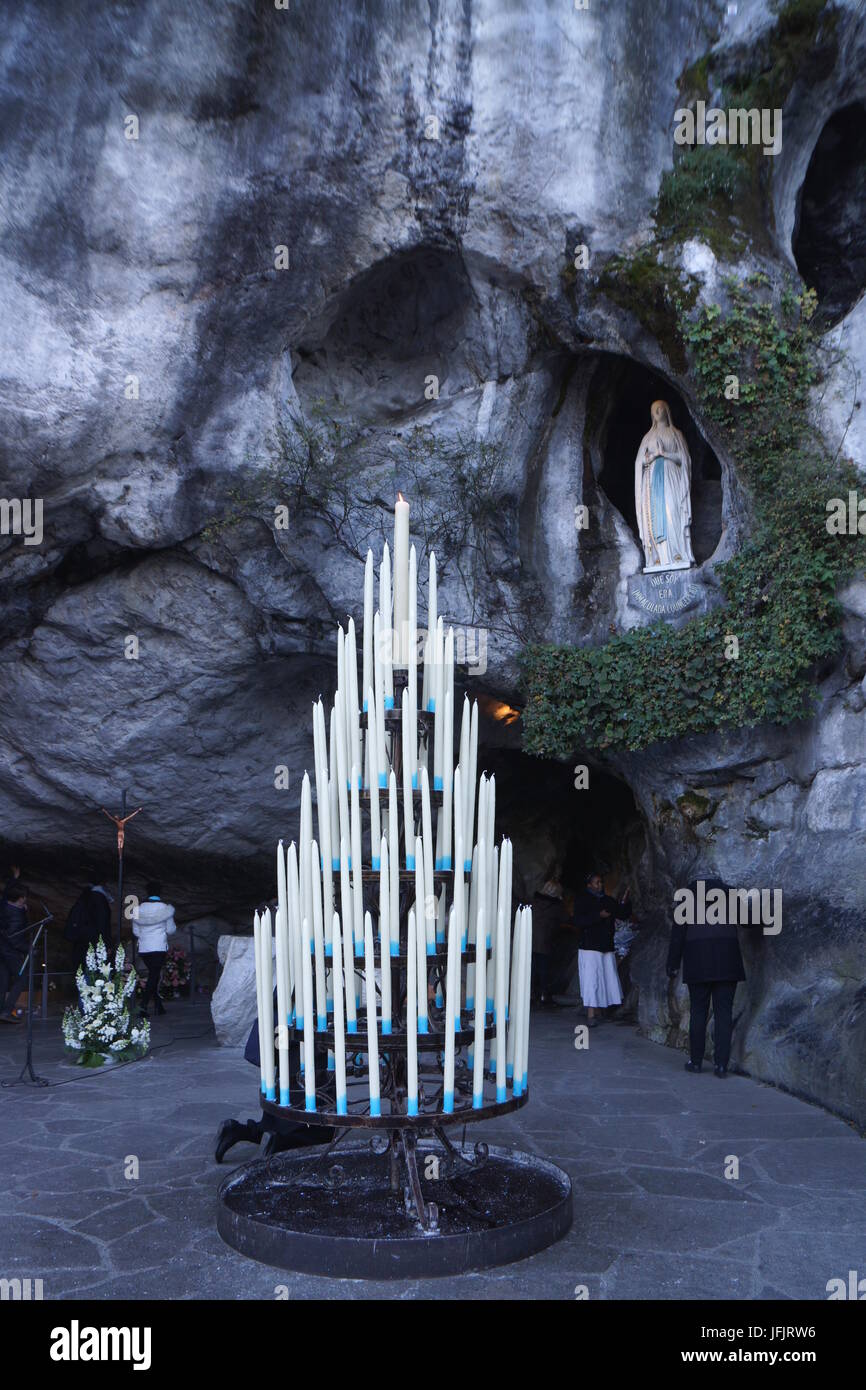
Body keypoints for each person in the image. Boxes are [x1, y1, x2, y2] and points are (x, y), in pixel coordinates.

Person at [666, 877, 754, 1077]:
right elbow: (749, 921)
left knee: (698, 1012)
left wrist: (672, 964)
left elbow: (678, 934)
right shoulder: (729, 895)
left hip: (698, 963)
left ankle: (695, 1062)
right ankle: (721, 1065)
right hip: (727, 962)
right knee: (724, 1014)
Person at [573, 871, 632, 1026]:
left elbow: (622, 914)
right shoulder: (582, 900)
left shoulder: (607, 900)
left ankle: (599, 1010)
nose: (600, 885)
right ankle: (591, 1014)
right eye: (596, 882)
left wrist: (625, 902)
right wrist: (598, 916)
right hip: (589, 946)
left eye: (601, 882)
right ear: (589, 885)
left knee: (606, 978)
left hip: (606, 946)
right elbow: (579, 921)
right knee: (592, 980)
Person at [132, 882, 176, 1017]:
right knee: (153, 975)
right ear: (160, 892)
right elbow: (170, 930)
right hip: (158, 946)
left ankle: (158, 1005)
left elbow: (136, 932)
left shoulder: (138, 909)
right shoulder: (165, 909)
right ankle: (143, 1006)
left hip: (144, 948)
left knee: (153, 975)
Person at [530, 875, 565, 1006]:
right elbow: (566, 919)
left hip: (531, 941)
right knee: (544, 970)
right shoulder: (556, 907)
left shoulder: (534, 902)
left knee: (532, 969)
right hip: (545, 942)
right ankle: (544, 995)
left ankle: (531, 995)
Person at [64, 882, 113, 972]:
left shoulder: (83, 899)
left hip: (80, 941)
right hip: (95, 941)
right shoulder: (100, 900)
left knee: (82, 969)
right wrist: (107, 944)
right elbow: (103, 924)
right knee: (97, 972)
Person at [0, 884, 29, 1022]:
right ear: (20, 899)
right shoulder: (17, 915)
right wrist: (29, 948)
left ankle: (2, 1010)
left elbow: (6, 895)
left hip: (2, 949)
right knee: (22, 979)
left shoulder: (4, 906)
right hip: (11, 952)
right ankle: (6, 1011)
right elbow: (14, 938)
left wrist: (14, 880)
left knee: (3, 980)